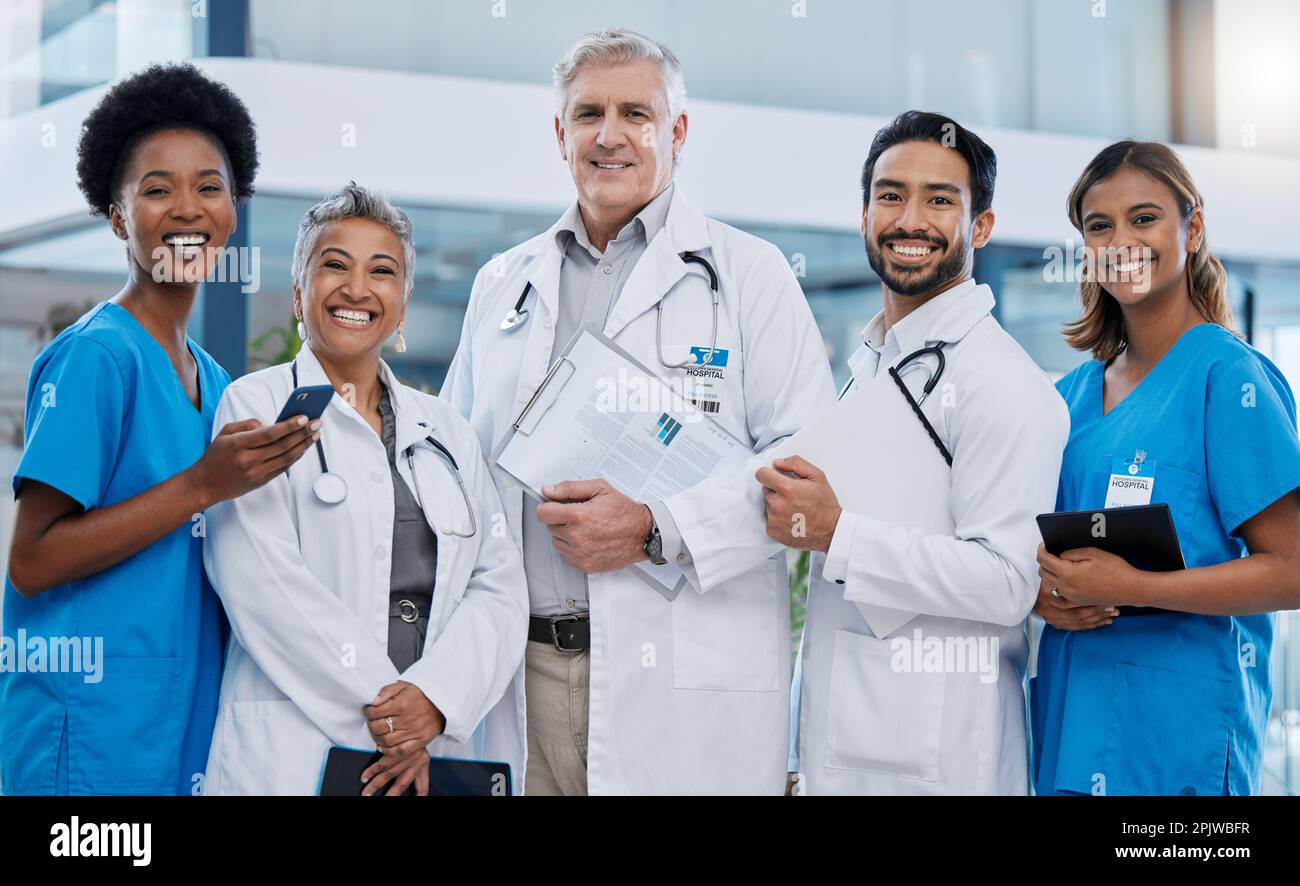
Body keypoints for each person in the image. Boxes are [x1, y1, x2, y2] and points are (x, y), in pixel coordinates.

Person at [442, 28, 835, 795]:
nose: (609, 135)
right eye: (588, 113)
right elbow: (457, 466)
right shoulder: (502, 284)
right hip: (521, 674)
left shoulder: (749, 276)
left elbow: (805, 470)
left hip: (681, 680)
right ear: (560, 134)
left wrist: (657, 528)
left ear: (677, 132)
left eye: (636, 113)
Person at [664, 111, 1070, 794]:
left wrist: (836, 533)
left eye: (940, 200)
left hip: (939, 763)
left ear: (981, 228)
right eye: (890, 196)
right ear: (863, 216)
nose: (910, 219)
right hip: (844, 750)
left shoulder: (1003, 385)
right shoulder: (874, 367)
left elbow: (1008, 582)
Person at [0, 63, 318, 795]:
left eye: (209, 186)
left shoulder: (210, 378)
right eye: (156, 189)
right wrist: (202, 485)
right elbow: (33, 559)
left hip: (177, 732)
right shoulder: (96, 357)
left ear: (234, 211)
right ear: (117, 218)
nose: (186, 208)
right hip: (88, 735)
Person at [202, 184, 528, 796]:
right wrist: (395, 720)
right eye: (334, 265)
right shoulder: (253, 406)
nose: (357, 289)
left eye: (382, 271)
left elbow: (499, 584)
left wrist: (438, 700)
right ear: (299, 292)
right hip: (301, 752)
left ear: (401, 307)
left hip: (431, 751)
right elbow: (261, 584)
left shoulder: (447, 431)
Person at [1031, 141, 1300, 796]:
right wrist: (1041, 594)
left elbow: (1292, 569)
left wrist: (1137, 587)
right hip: (1068, 733)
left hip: (1180, 752)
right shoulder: (1065, 398)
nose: (1122, 240)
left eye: (1144, 218)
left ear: (1193, 229)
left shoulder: (1227, 379)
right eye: (1100, 226)